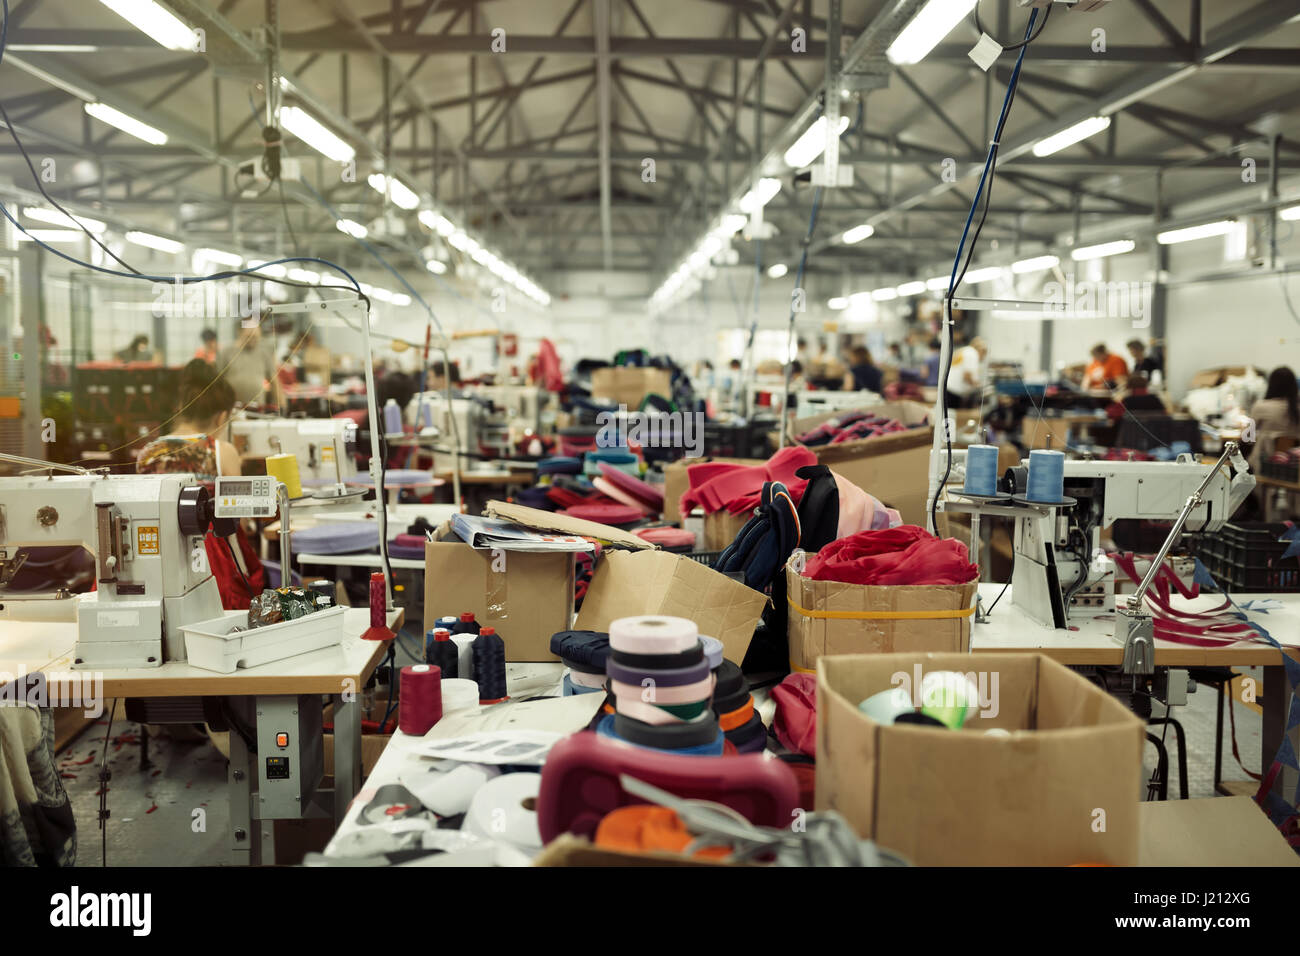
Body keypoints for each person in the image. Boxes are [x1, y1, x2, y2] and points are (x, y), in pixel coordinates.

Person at [137, 360, 265, 608]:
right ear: (222, 416)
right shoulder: (221, 452)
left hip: (157, 559)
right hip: (212, 564)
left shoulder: (147, 454)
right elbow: (241, 521)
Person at [217, 317, 280, 408]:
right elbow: (217, 382)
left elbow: (275, 382)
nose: (253, 340)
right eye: (249, 337)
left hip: (258, 408)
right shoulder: (226, 352)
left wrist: (282, 407)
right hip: (231, 408)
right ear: (240, 332)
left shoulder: (264, 353)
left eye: (256, 337)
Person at [945, 337, 988, 408]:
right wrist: (978, 386)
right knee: (953, 415)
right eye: (984, 353)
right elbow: (967, 376)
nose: (983, 357)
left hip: (950, 389)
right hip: (954, 391)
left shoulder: (966, 351)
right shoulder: (972, 354)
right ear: (981, 350)